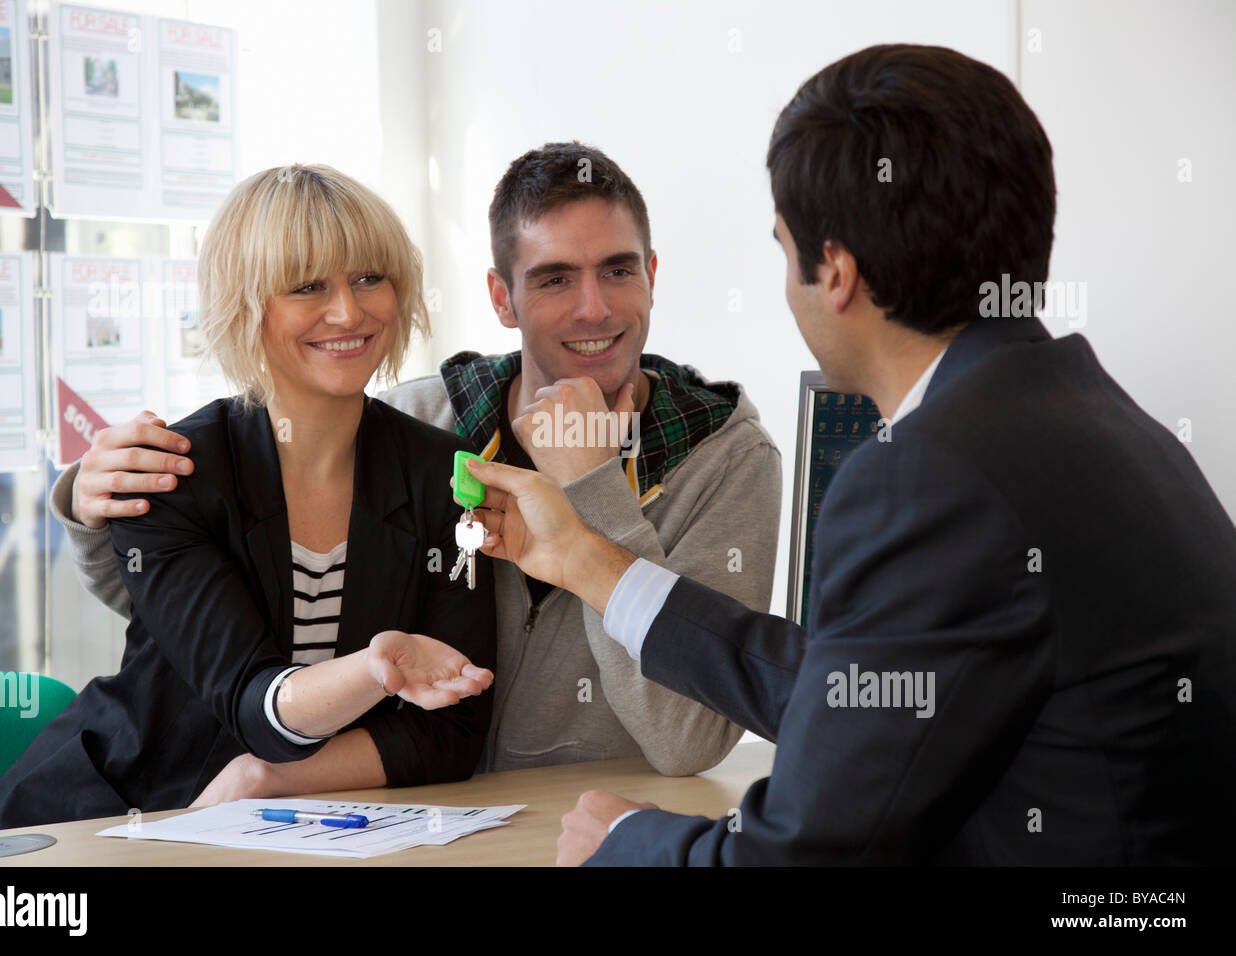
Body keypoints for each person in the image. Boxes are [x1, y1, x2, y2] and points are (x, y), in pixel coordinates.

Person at [459, 44, 1236, 865]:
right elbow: (858, 695)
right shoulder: (1091, 417)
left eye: (783, 249)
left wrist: (627, 841)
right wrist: (588, 560)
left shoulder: (929, 474)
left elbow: (804, 857)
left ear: (835, 272)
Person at [47, 143, 781, 777]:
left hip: (581, 821)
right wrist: (91, 505)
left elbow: (685, 740)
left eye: (618, 271)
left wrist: (593, 491)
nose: (594, 308)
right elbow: (210, 621)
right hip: (387, 812)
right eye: (555, 279)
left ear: (652, 273)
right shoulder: (426, 418)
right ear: (502, 296)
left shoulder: (726, 457)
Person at [0, 164, 496, 831]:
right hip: (111, 812)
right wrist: (373, 672)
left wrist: (265, 776)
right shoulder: (173, 475)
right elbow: (254, 705)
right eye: (308, 286)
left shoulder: (445, 477)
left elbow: (451, 735)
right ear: (246, 306)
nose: (349, 311)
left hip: (299, 823)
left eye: (370, 277)